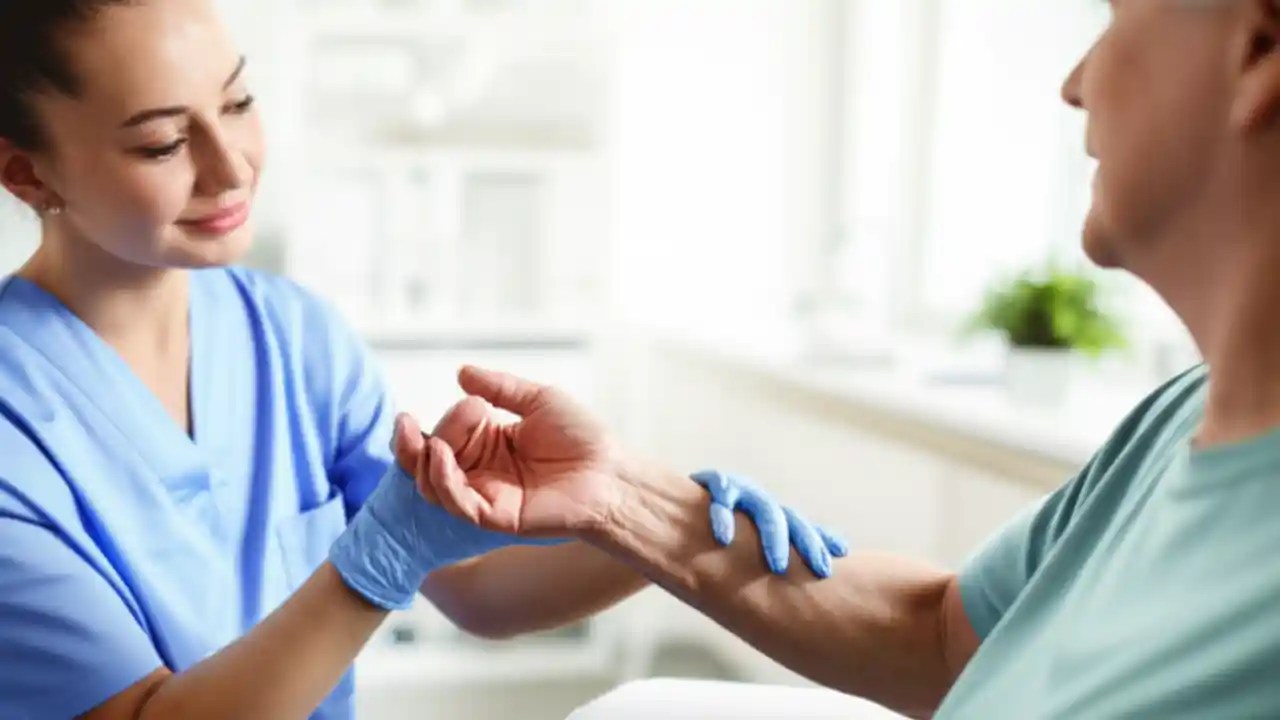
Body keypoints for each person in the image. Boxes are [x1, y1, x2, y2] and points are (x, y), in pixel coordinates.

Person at [397, 0, 1280, 717]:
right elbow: (944, 640)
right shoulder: (1173, 424)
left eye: (1117, 17)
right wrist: (629, 501)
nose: (1075, 83)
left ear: (1260, 53)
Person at [0, 1, 847, 718]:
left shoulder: (293, 337)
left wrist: (654, 525)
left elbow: (476, 588)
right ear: (26, 173)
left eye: (238, 102)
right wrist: (377, 562)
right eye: (161, 145)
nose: (231, 168)